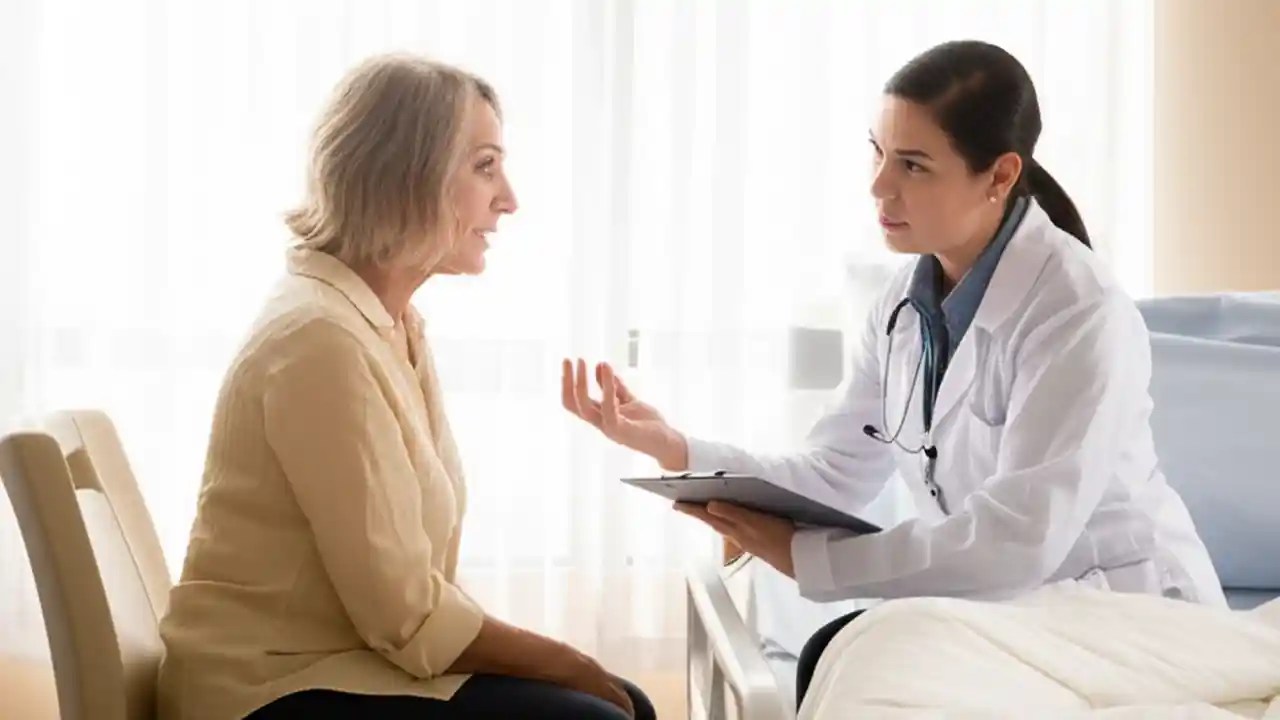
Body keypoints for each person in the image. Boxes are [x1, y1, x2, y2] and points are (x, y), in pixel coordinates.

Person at [562, 40, 1225, 709]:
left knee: (857, 656)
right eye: (877, 152)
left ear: (998, 176)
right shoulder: (904, 302)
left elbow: (1018, 539)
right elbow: (838, 472)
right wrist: (678, 450)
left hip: (1125, 618)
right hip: (1014, 613)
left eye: (912, 165)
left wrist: (810, 559)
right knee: (847, 653)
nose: (879, 185)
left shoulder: (1078, 313)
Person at [157, 54, 653, 720]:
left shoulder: (390, 325)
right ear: (405, 178)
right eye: (485, 167)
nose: (508, 198)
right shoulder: (319, 341)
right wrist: (571, 662)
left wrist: (573, 669)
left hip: (341, 662)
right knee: (605, 713)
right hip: (266, 691)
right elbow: (406, 613)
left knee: (624, 706)